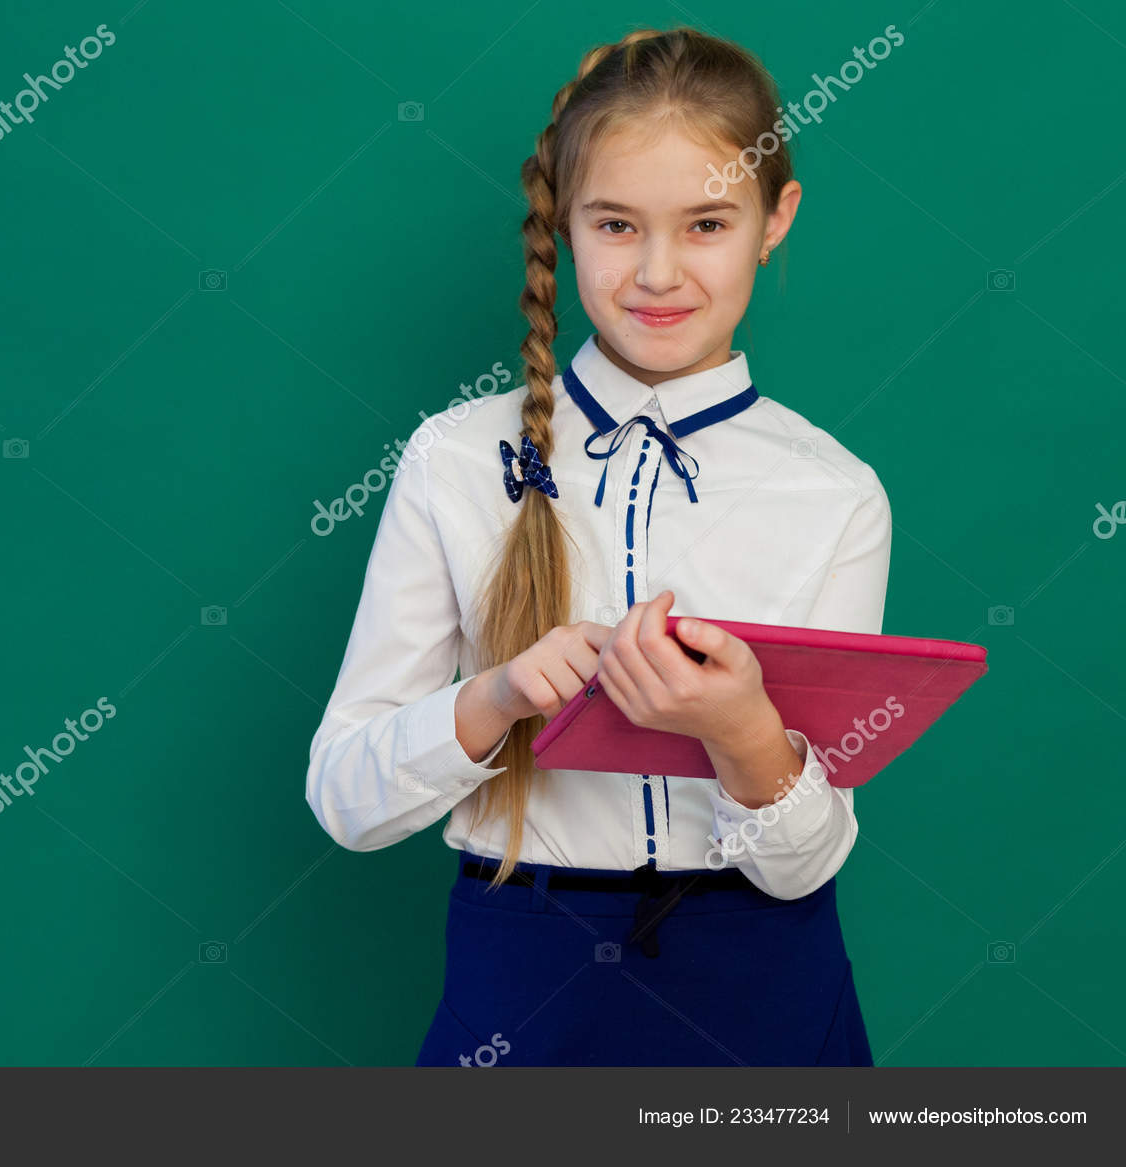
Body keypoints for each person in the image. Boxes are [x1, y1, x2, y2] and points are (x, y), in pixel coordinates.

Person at [304, 25, 889, 1067]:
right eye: (616, 224)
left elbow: (802, 867)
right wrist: (497, 699)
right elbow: (348, 803)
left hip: (764, 984)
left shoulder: (832, 493)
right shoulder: (452, 460)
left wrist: (743, 733)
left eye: (706, 223)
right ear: (562, 227)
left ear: (773, 219)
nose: (657, 272)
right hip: (520, 974)